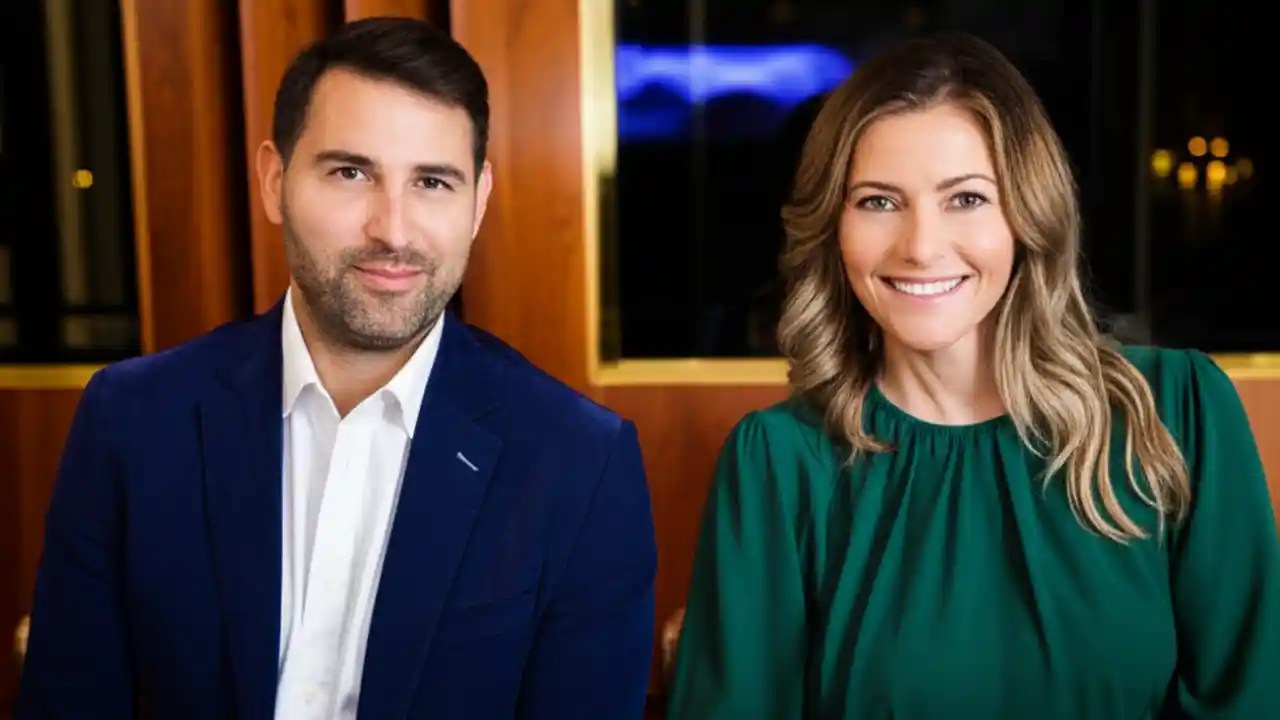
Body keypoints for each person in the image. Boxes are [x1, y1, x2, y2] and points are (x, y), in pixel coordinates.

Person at [18, 17, 656, 719]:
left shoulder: (580, 461)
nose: (393, 229)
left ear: (478, 202)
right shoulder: (132, 422)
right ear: (273, 180)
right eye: (351, 172)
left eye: (433, 183)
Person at [667, 33, 1280, 718]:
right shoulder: (780, 464)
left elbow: (1248, 698)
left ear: (1027, 213)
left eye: (965, 199)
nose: (922, 246)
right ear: (831, 227)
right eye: (878, 201)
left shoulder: (1178, 412)